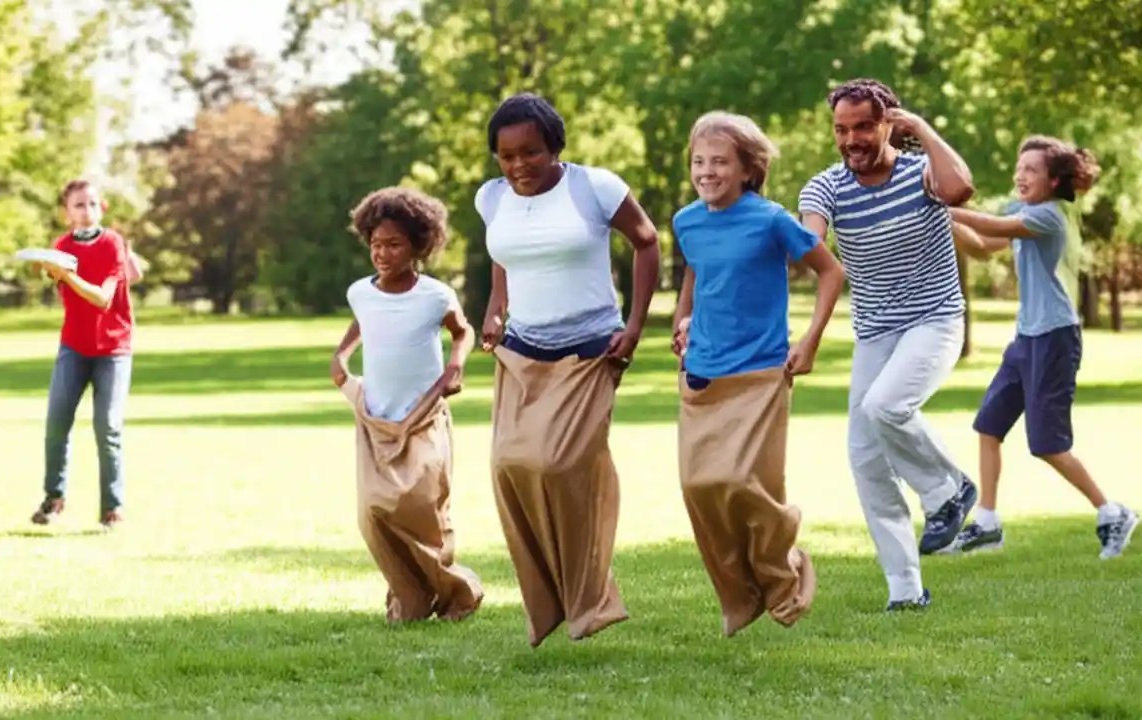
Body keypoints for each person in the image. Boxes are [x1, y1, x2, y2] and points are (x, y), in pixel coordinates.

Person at [476, 93, 660, 646]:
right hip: (522, 347)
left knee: (559, 464)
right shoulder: (491, 198)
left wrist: (634, 324)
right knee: (509, 465)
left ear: (554, 146)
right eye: (506, 157)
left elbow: (647, 241)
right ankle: (551, 602)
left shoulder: (594, 187)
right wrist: (494, 305)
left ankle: (591, 598)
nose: (517, 167)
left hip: (590, 348)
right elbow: (505, 252)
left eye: (529, 153)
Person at [797, 79, 977, 611]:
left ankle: (947, 489)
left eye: (863, 126)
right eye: (841, 129)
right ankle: (906, 590)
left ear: (888, 123)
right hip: (876, 331)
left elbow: (960, 190)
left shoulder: (919, 173)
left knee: (886, 406)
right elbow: (812, 242)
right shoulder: (825, 187)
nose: (851, 138)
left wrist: (920, 128)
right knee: (866, 459)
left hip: (936, 320)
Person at [671, 111, 844, 636]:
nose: (707, 171)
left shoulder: (771, 220)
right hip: (701, 372)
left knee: (744, 484)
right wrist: (684, 314)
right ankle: (740, 596)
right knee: (700, 486)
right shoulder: (686, 221)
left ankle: (786, 567)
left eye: (720, 161)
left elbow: (830, 271)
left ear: (749, 169)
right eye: (699, 161)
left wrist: (809, 340)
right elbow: (698, 269)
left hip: (761, 372)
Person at [950, 136, 1137, 558]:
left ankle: (1112, 512)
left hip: (1055, 338)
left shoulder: (1050, 216)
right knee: (988, 426)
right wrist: (944, 222)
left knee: (1048, 444)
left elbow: (995, 228)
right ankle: (988, 523)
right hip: (1026, 337)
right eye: (1020, 168)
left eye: (1031, 170)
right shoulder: (1025, 212)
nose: (1021, 175)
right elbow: (982, 248)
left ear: (1054, 180)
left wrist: (942, 208)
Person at [330, 187, 484, 623]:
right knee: (373, 512)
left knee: (423, 506)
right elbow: (362, 325)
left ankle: (457, 592)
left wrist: (456, 365)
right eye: (376, 244)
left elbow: (463, 331)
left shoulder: (434, 296)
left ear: (419, 246)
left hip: (424, 414)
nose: (382, 253)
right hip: (375, 415)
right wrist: (340, 360)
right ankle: (409, 596)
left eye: (394, 244)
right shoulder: (361, 291)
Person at [31, 179, 143, 530]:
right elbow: (55, 276)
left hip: (114, 348)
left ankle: (112, 508)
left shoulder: (113, 242)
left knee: (107, 427)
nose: (86, 210)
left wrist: (67, 274)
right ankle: (54, 499)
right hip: (74, 347)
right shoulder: (61, 247)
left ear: (102, 207)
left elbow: (103, 298)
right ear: (67, 213)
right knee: (56, 425)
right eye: (79, 204)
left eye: (92, 203)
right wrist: (53, 269)